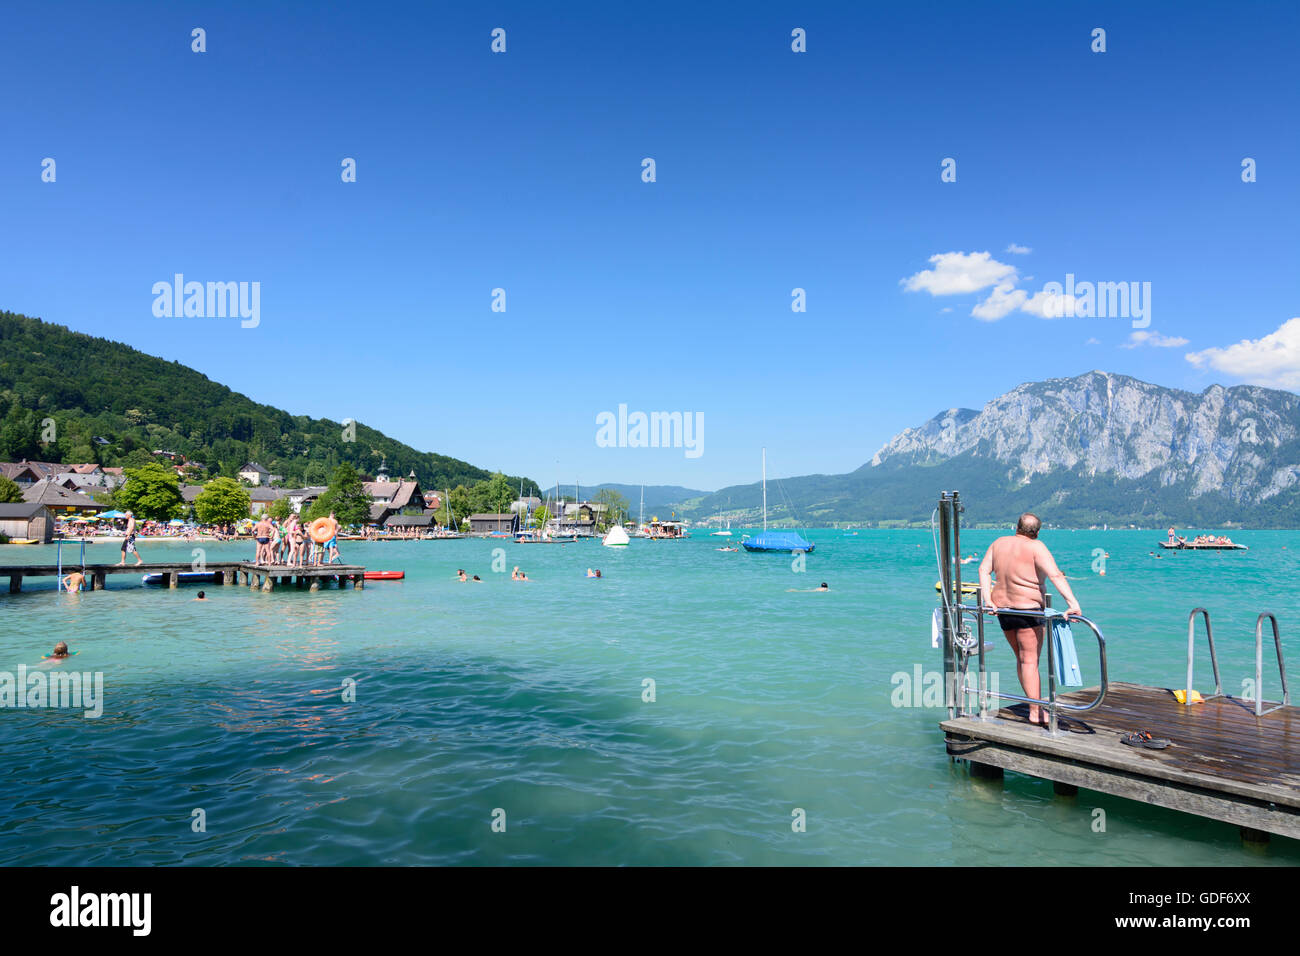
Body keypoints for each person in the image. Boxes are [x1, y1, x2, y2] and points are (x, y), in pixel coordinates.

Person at [978, 513, 1082, 727]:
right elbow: (1055, 575)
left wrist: (988, 599)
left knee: (1022, 659)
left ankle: (1033, 703)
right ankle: (1035, 711)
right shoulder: (1037, 547)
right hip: (1027, 610)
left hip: (1004, 610)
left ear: (1016, 526)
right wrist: (1073, 603)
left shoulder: (999, 543)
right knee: (1030, 661)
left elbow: (983, 570)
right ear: (1037, 532)